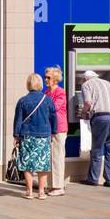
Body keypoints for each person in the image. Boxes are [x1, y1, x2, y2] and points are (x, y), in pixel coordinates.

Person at [13, 73, 58, 200]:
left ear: (28, 84)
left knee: (27, 164)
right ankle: (42, 192)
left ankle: (29, 191)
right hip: (44, 136)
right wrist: (53, 132)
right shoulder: (48, 100)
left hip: (27, 135)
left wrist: (16, 136)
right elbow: (54, 118)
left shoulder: (22, 101)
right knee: (42, 164)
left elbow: (18, 120)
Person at [79, 69, 110, 187]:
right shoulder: (107, 83)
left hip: (101, 118)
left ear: (85, 78)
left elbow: (88, 103)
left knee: (97, 149)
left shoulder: (86, 85)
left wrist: (83, 113)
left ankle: (93, 179)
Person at [44, 65, 68, 196]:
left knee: (57, 157)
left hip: (59, 128)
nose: (46, 80)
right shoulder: (47, 93)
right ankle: (52, 185)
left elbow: (55, 107)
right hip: (50, 128)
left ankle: (59, 186)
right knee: (50, 157)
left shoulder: (60, 92)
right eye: (45, 77)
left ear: (55, 79)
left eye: (48, 77)